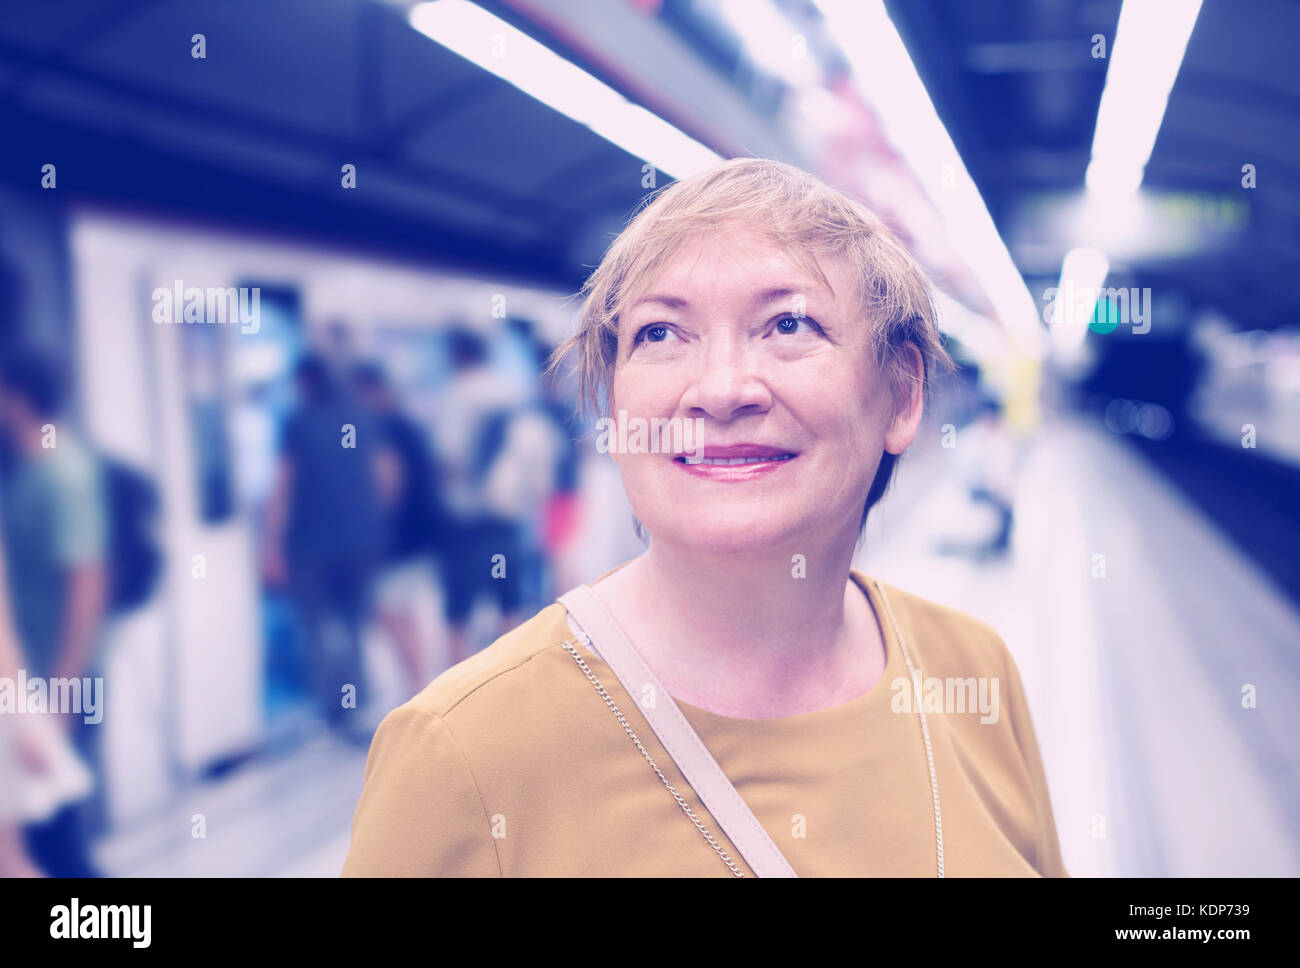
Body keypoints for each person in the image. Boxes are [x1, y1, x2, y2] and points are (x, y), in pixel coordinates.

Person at [342, 158, 1067, 876]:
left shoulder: (974, 673)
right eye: (659, 333)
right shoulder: (459, 755)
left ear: (903, 394)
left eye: (789, 323)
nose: (720, 391)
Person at [0, 352, 108, 877]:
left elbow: (86, 587)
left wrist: (62, 699)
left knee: (56, 847)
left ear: (18, 397)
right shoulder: (29, 470)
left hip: (49, 683)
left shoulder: (61, 473)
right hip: (28, 686)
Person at [263, 354, 384, 742]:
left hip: (309, 545)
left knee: (317, 629)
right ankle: (357, 706)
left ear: (306, 383)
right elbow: (380, 475)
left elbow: (283, 486)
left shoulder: (297, 422)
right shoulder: (362, 417)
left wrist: (272, 546)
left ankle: (333, 712)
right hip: (361, 542)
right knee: (352, 626)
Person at [350, 361, 445, 696]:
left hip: (395, 539)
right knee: (403, 613)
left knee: (389, 612)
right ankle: (418, 684)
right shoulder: (408, 425)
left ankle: (417, 685)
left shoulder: (384, 428)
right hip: (417, 535)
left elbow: (387, 480)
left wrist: (373, 524)